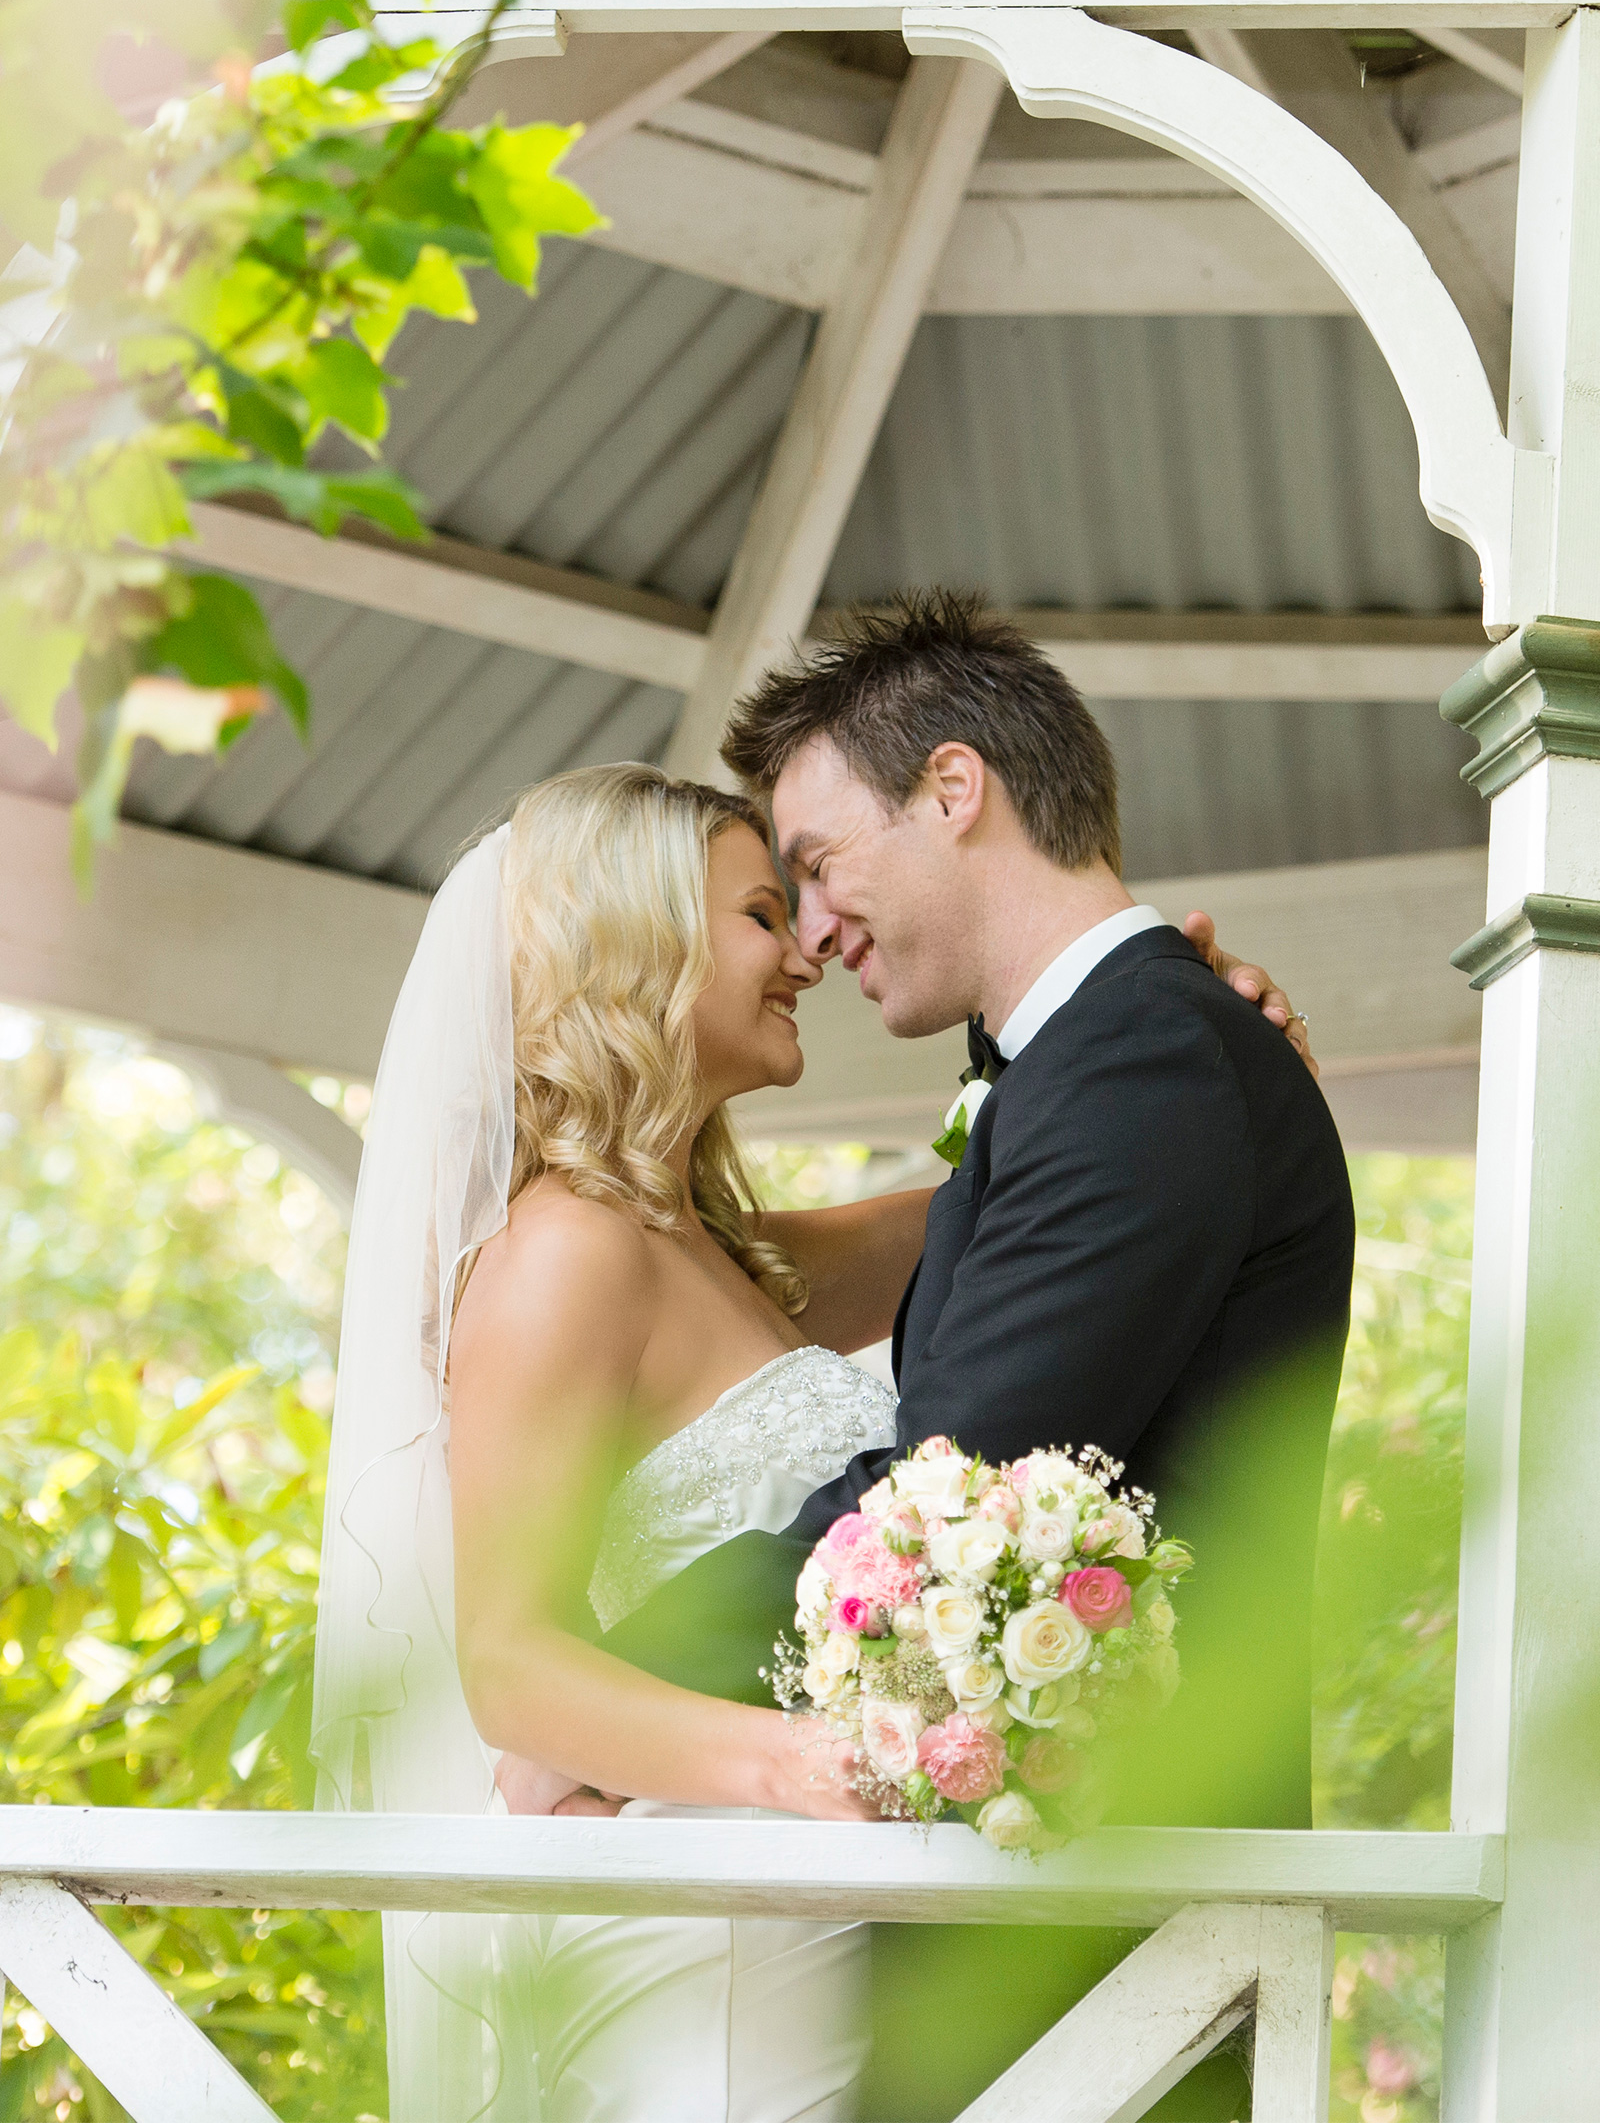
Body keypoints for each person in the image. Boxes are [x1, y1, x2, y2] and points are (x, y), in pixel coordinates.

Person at [311, 679, 1319, 2123]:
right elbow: (509, 1664)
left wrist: (1190, 1034)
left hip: (818, 1906)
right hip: (719, 1890)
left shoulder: (723, 1256)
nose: (803, 953)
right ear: (637, 943)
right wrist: (803, 1763)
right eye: (761, 916)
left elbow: (1020, 1189)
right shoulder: (563, 1256)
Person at [592, 592, 1355, 2119]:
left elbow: (955, 1481)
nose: (812, 928)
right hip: (1033, 1918)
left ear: (954, 791)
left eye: (816, 863)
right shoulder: (1106, 1061)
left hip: (1105, 1923)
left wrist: (605, 1701)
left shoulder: (1141, 1061)